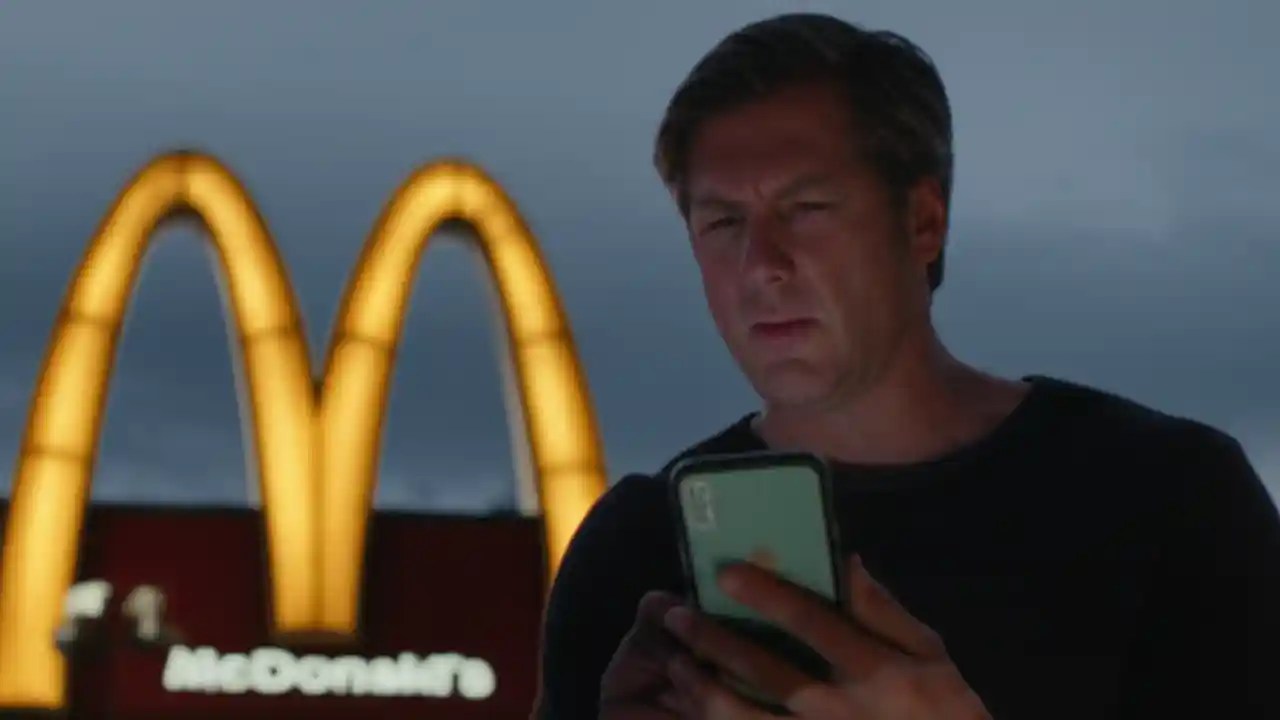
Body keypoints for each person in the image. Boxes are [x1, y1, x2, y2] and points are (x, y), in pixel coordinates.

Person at [532, 12, 1280, 719]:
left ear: (923, 221)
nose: (762, 265)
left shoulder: (1173, 503)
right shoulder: (627, 551)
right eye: (724, 222)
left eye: (808, 209)